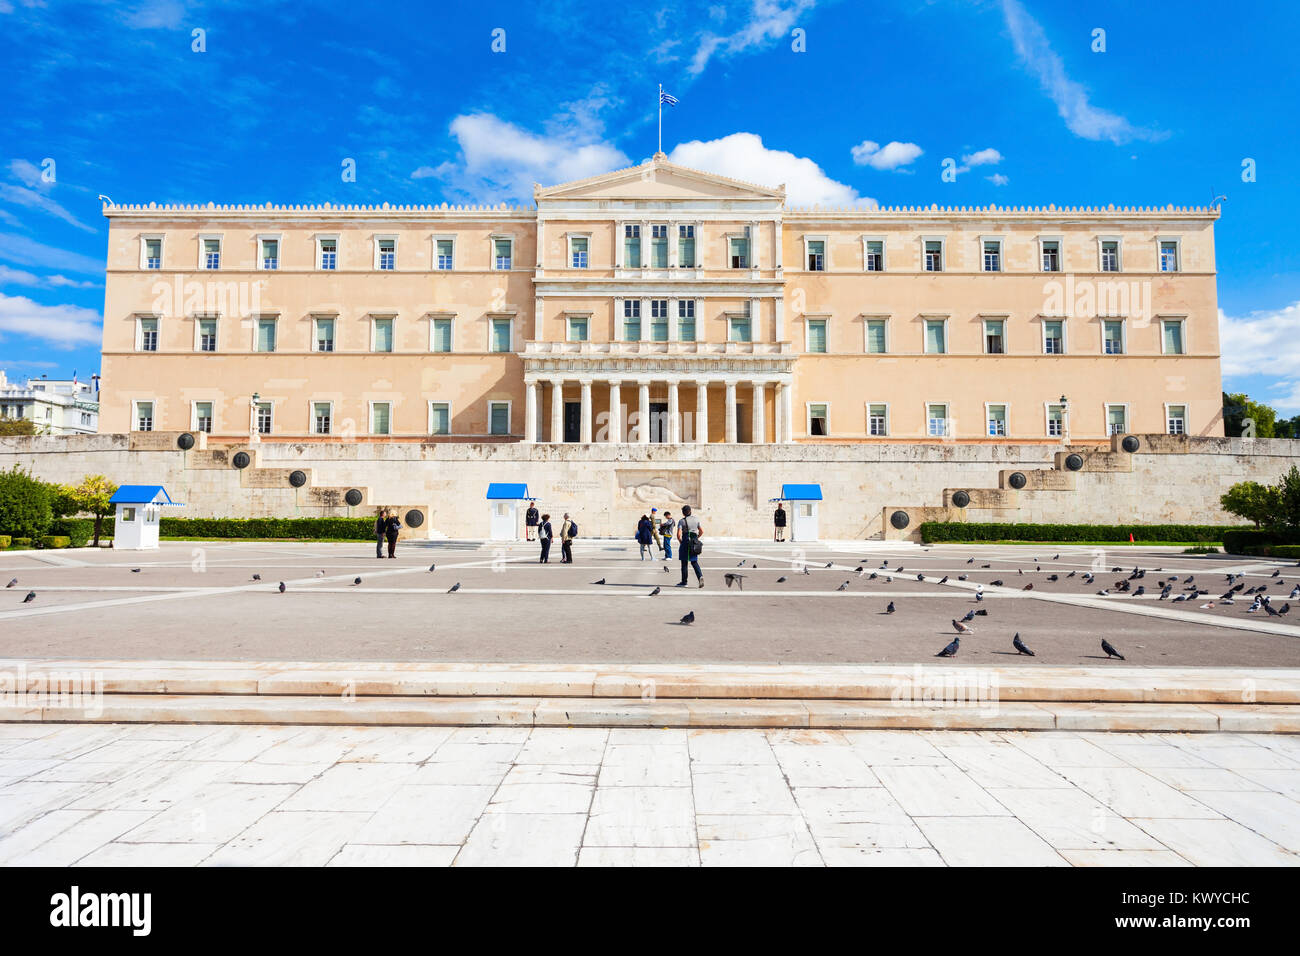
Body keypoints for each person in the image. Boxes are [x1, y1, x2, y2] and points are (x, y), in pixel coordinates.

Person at [676, 505, 704, 588]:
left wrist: (681, 541)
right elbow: (702, 531)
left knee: (684, 563)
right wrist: (696, 539)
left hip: (685, 541)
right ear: (690, 511)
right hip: (694, 542)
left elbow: (678, 534)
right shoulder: (696, 519)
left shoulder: (681, 521)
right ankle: (700, 577)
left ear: (683, 513)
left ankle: (684, 582)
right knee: (694, 562)